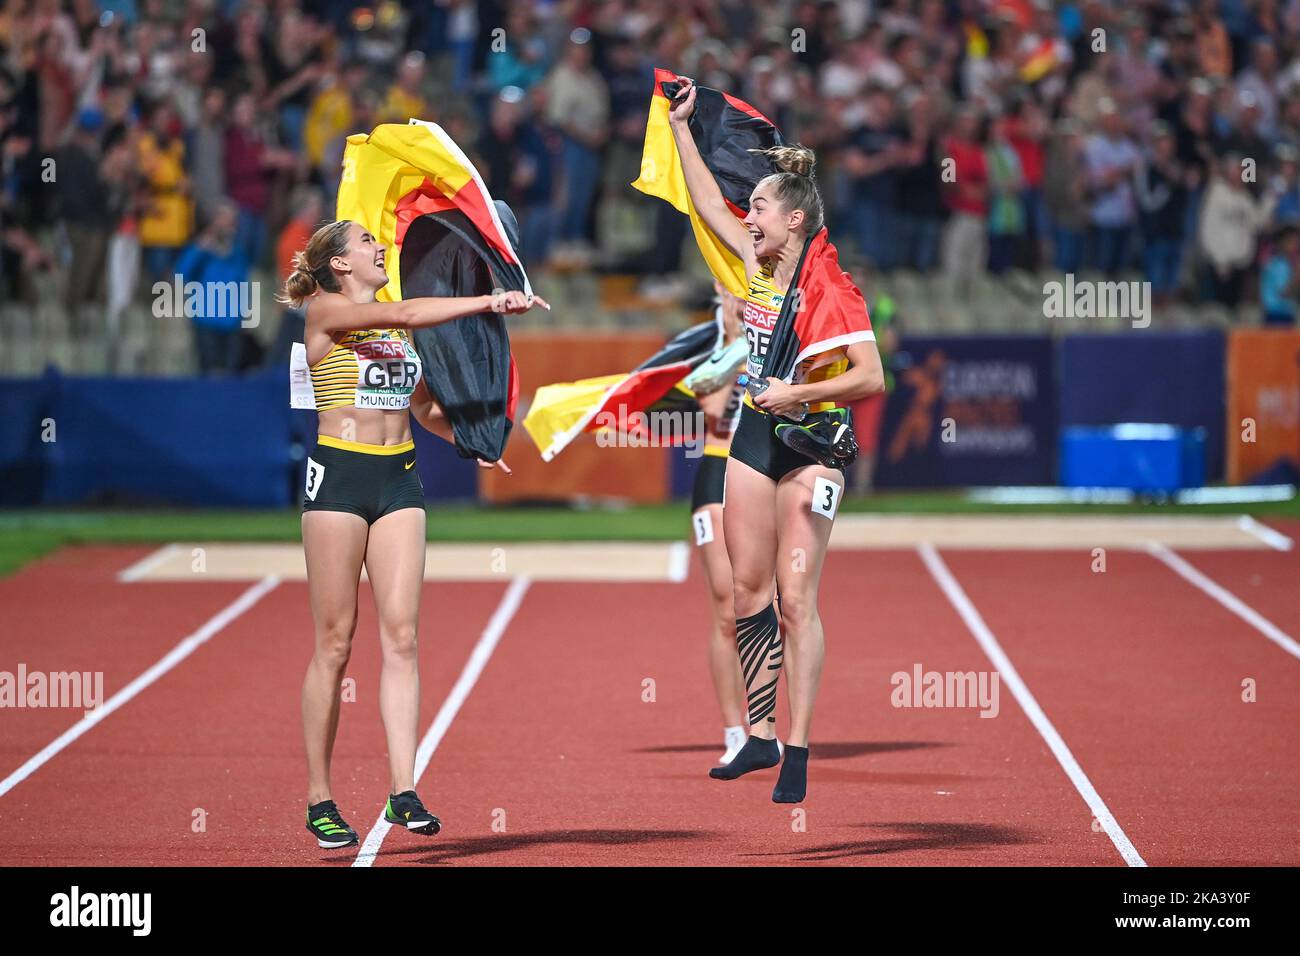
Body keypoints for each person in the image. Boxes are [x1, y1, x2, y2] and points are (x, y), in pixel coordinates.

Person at [280, 218, 548, 848]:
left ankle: (403, 790)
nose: (380, 248)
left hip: (399, 480)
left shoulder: (397, 337)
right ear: (340, 265)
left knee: (401, 636)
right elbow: (403, 312)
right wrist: (490, 298)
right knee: (336, 642)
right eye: (368, 242)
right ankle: (320, 797)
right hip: (339, 480)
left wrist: (473, 443)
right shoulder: (325, 311)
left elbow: (423, 408)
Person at [667, 76, 885, 804]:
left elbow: (870, 376)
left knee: (796, 597)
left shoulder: (834, 289)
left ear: (794, 220)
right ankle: (758, 735)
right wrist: (680, 129)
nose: (746, 215)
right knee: (745, 593)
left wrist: (797, 391)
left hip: (815, 440)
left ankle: (798, 746)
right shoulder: (757, 265)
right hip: (759, 434)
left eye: (758, 206)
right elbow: (703, 201)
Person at [686, 280, 750, 766]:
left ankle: (769, 724)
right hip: (717, 472)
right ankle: (734, 730)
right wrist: (732, 342)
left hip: (761, 475)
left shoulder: (778, 342)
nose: (737, 304)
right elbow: (710, 405)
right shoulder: (714, 345)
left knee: (769, 604)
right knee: (726, 607)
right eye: (729, 297)